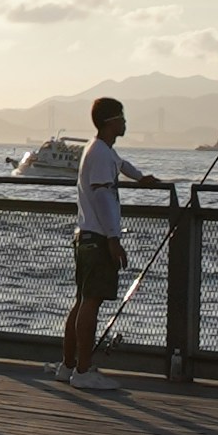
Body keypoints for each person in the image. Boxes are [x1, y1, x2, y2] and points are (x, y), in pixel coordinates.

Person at [61, 99, 134, 376]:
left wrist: (143, 179)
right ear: (110, 122)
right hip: (98, 239)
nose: (125, 122)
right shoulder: (102, 154)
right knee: (91, 302)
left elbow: (123, 164)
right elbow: (103, 196)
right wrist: (114, 239)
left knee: (82, 300)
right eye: (122, 117)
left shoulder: (100, 150)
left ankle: (68, 366)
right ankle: (84, 370)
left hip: (85, 236)